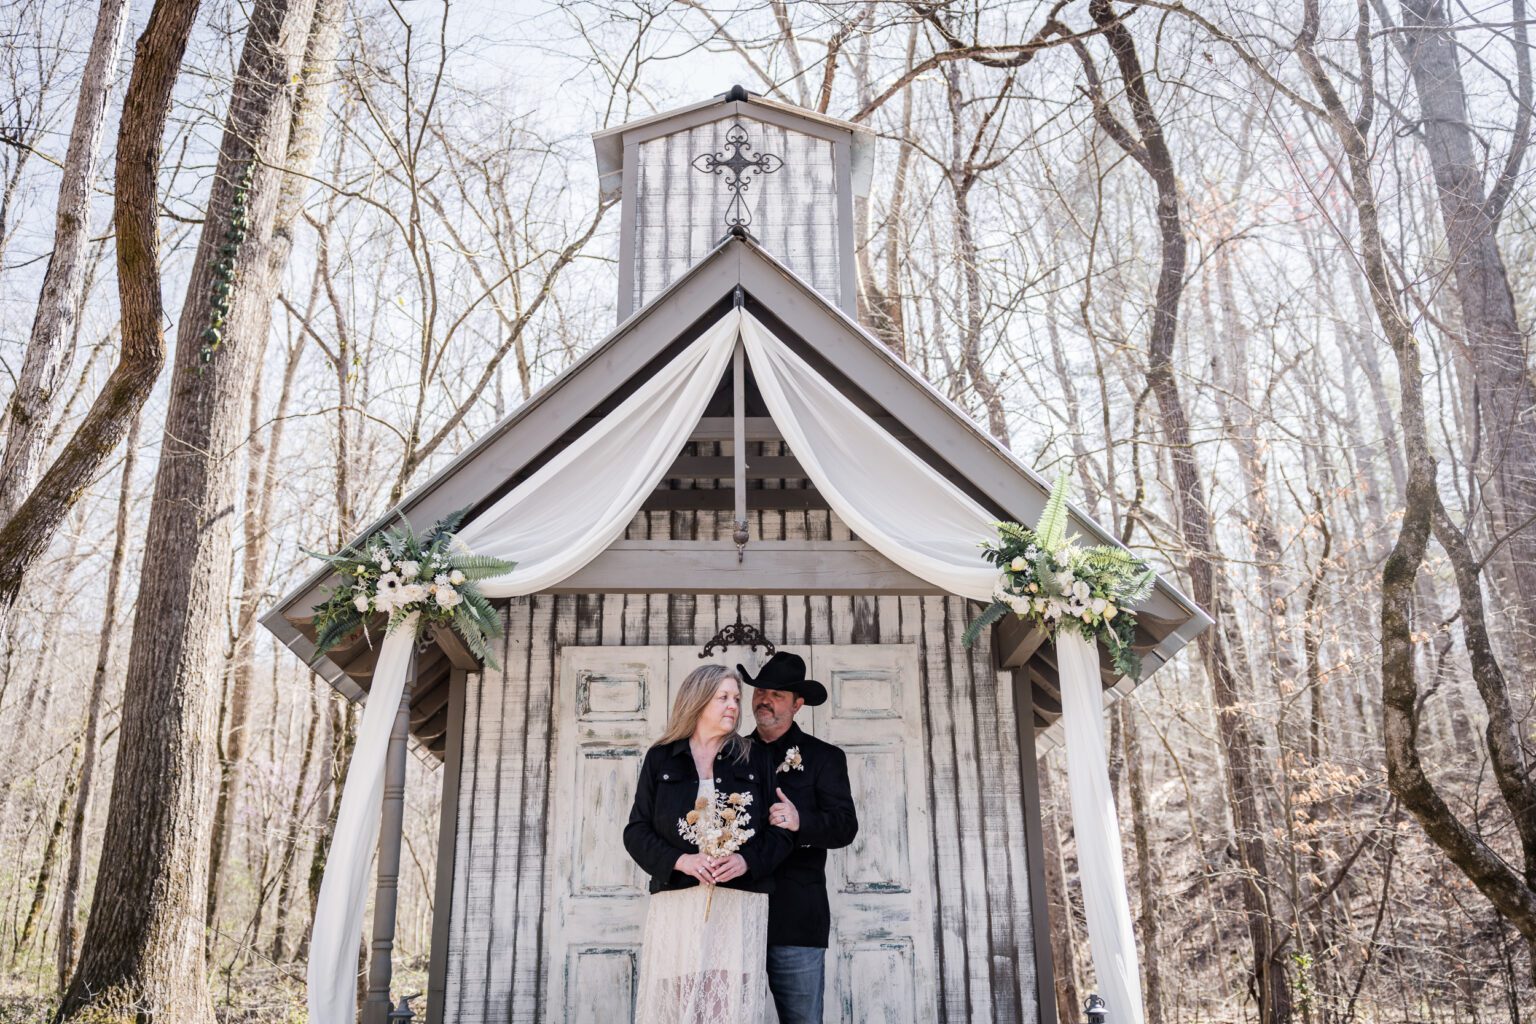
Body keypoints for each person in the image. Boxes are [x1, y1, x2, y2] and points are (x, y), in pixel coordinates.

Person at [623, 664, 793, 1024]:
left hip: (738, 903)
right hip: (677, 902)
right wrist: (681, 861)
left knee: (725, 1006)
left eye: (735, 698)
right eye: (723, 698)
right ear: (698, 701)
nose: (733, 705)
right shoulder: (661, 758)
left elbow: (780, 831)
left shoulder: (756, 758)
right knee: (679, 1002)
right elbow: (636, 831)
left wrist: (747, 862)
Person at [742, 651, 859, 1024]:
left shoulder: (825, 758)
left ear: (798, 704)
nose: (765, 698)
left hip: (796, 917)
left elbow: (844, 826)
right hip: (734, 912)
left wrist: (800, 821)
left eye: (777, 694)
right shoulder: (729, 754)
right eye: (761, 690)